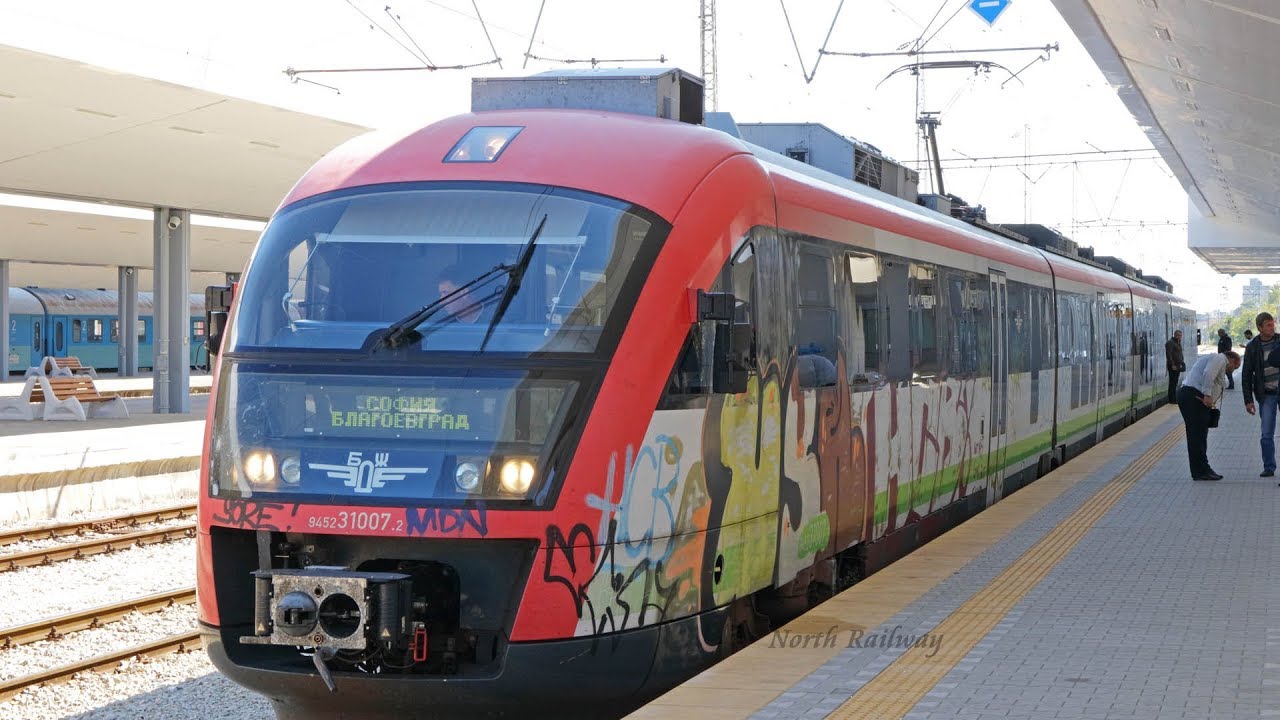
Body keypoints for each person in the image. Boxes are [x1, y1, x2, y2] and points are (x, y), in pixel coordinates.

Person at [1178, 350, 1240, 481]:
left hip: (1195, 399)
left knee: (1200, 436)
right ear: (1232, 360)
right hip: (1194, 398)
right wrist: (1207, 394)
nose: (1233, 371)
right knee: (1197, 436)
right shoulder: (1220, 358)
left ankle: (1203, 469)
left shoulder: (1219, 361)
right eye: (1235, 367)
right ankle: (1200, 471)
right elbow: (1208, 373)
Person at [1242, 312, 1280, 477]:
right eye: (1268, 325)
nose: (1272, 328)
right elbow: (1246, 374)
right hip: (1266, 394)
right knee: (1266, 433)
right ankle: (1269, 467)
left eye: (1273, 324)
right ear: (1259, 328)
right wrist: (1248, 400)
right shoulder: (1252, 347)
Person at [1165, 330, 1185, 404]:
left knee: (1175, 382)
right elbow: (1169, 354)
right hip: (1173, 366)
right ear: (1174, 335)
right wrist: (1172, 364)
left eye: (1180, 335)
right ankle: (1172, 399)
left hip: (1178, 365)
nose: (1179, 337)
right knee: (1172, 383)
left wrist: (1181, 363)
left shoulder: (1178, 343)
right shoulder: (1170, 343)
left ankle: (1173, 398)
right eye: (1178, 335)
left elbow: (1179, 354)